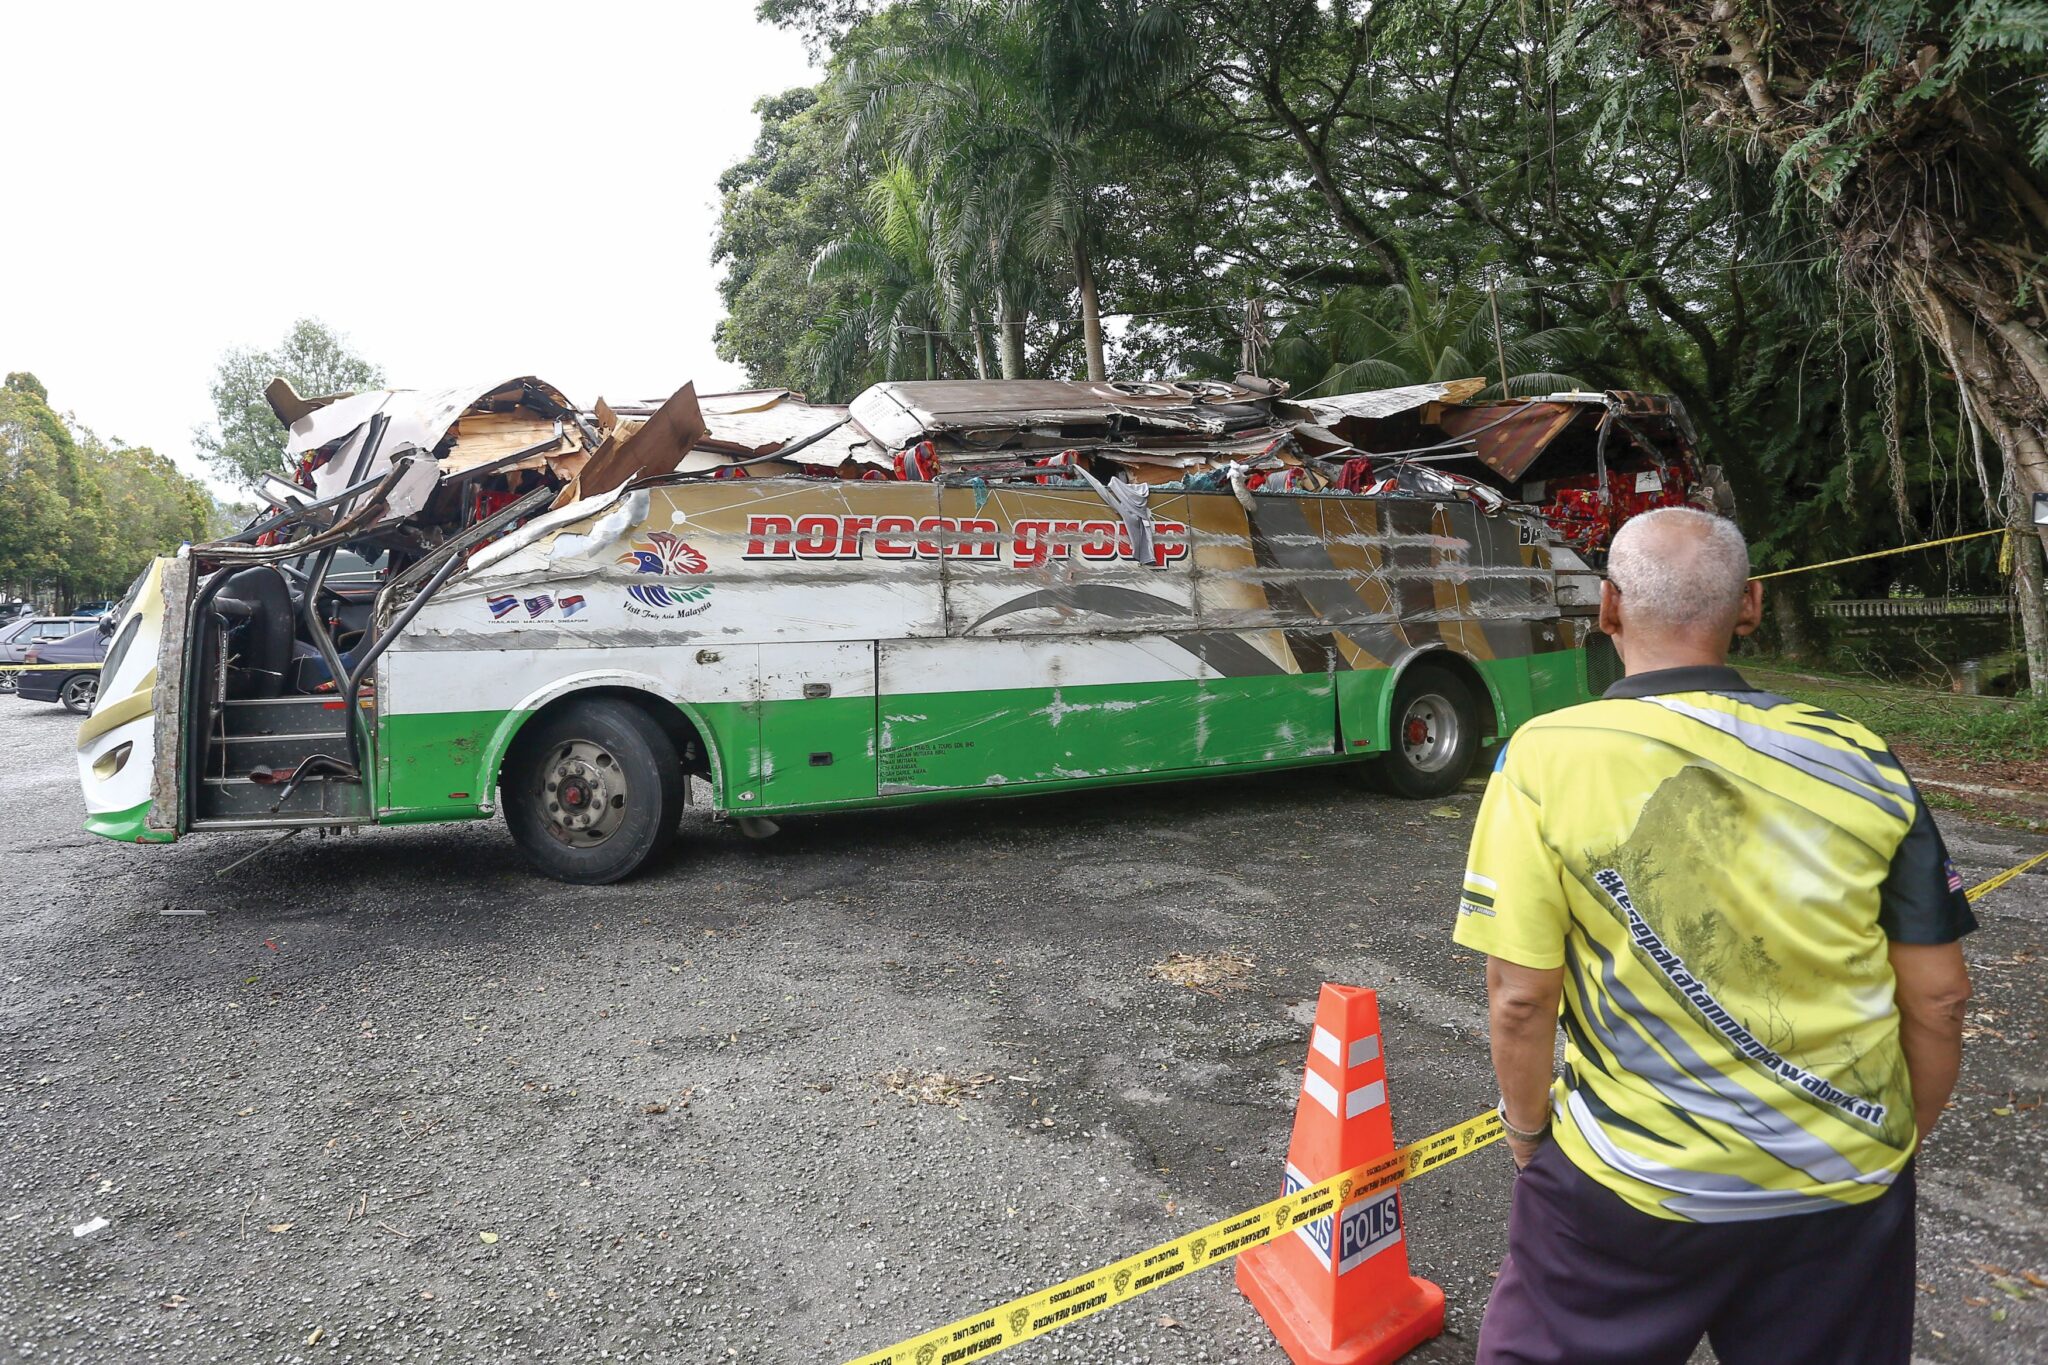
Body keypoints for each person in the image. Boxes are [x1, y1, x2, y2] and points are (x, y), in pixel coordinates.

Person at [1452, 507, 1975, 1364]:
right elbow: (1941, 995)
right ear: (1753, 606)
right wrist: (1880, 1142)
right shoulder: (1863, 757)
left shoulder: (1545, 757)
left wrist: (1525, 1131)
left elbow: (1520, 996)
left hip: (1631, 1182)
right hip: (1842, 1187)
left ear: (1608, 608)